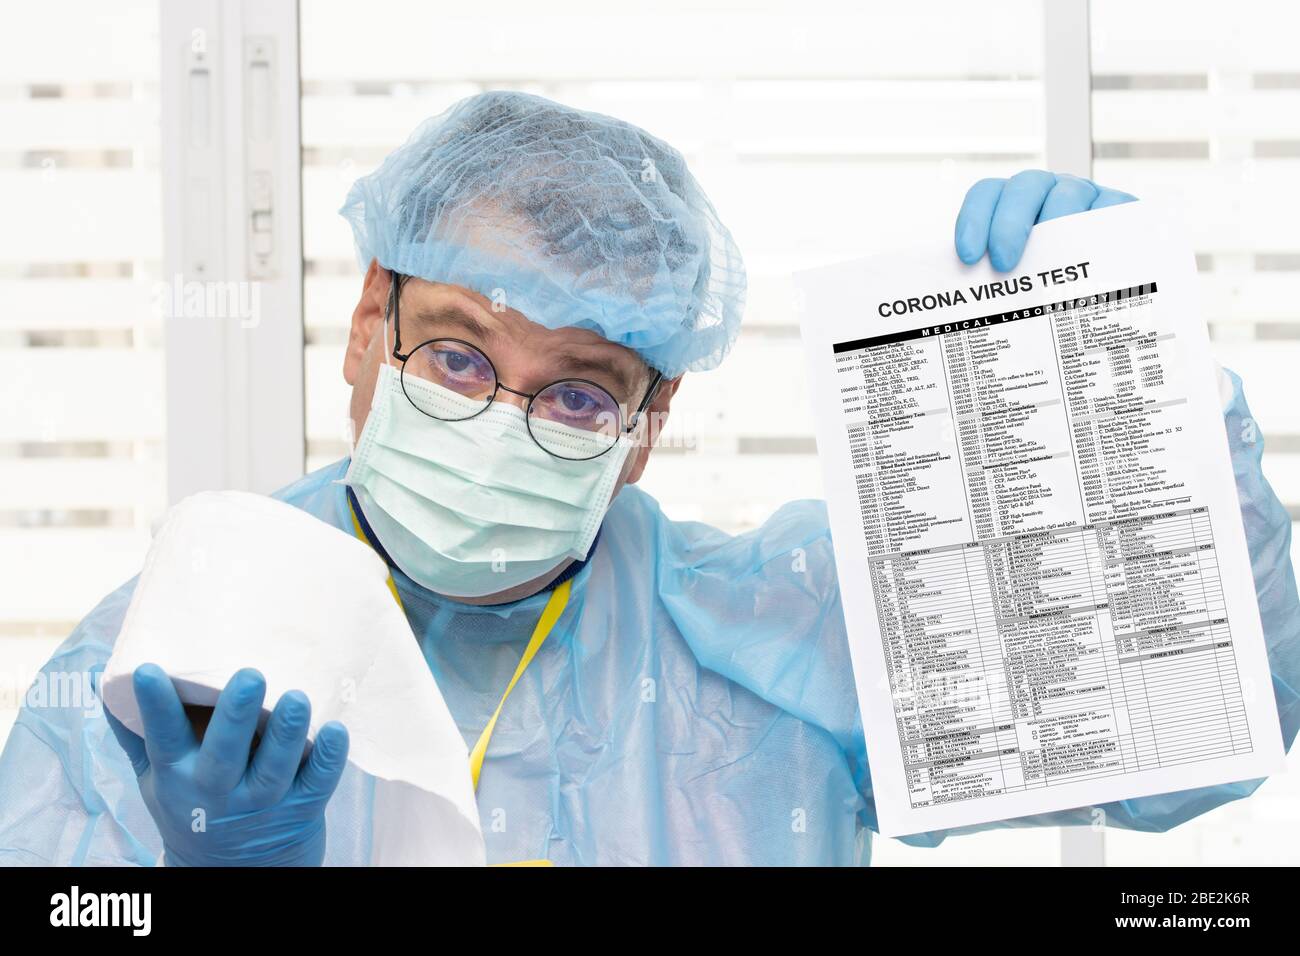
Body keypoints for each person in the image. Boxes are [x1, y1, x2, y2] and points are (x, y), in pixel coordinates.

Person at [1, 92, 1296, 866]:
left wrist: (1139, 385)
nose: (499, 424)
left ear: (650, 421)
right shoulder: (174, 656)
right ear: (365, 324)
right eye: (456, 354)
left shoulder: (772, 640)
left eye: (577, 390)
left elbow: (1193, 740)